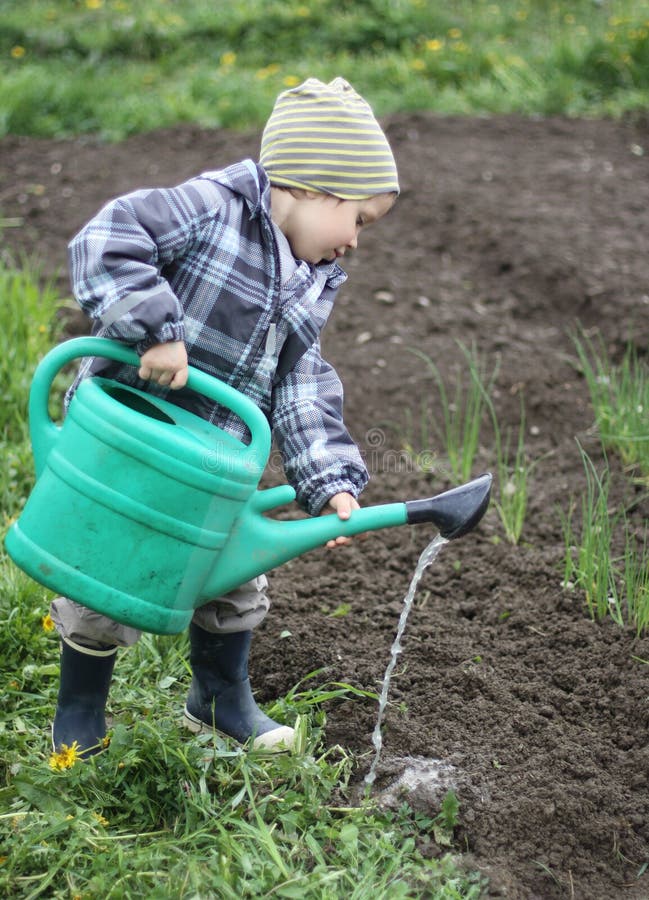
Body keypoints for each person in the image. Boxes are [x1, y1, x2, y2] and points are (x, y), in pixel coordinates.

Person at [50, 77, 399, 756]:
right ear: (309, 187)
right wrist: (155, 328)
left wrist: (327, 480)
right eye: (358, 220)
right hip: (133, 443)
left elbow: (301, 383)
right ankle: (79, 715)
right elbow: (107, 238)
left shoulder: (309, 278)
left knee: (234, 574)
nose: (355, 241)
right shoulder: (213, 207)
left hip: (218, 459)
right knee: (104, 579)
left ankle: (218, 702)